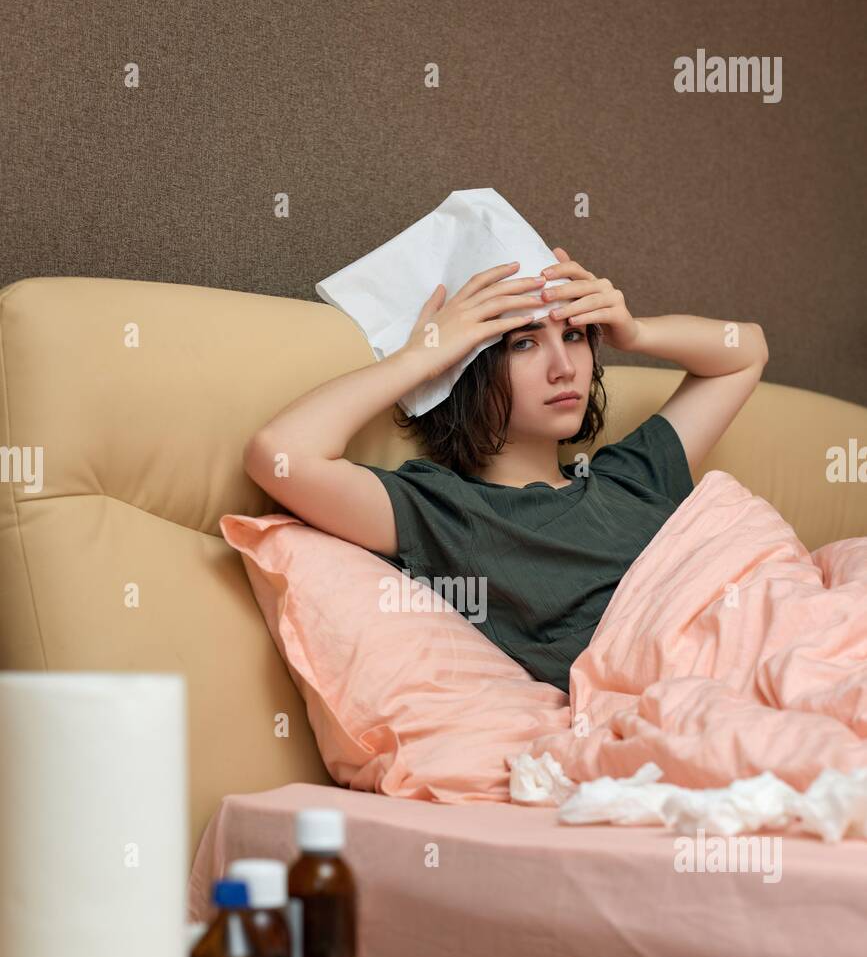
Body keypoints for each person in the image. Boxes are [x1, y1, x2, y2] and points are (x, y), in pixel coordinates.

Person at [243, 249, 768, 693]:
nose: (564, 367)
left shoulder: (633, 474)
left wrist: (634, 331)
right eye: (524, 343)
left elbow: (745, 352)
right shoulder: (449, 513)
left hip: (770, 634)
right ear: (465, 368)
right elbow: (281, 454)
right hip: (692, 689)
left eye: (577, 335)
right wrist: (424, 356)